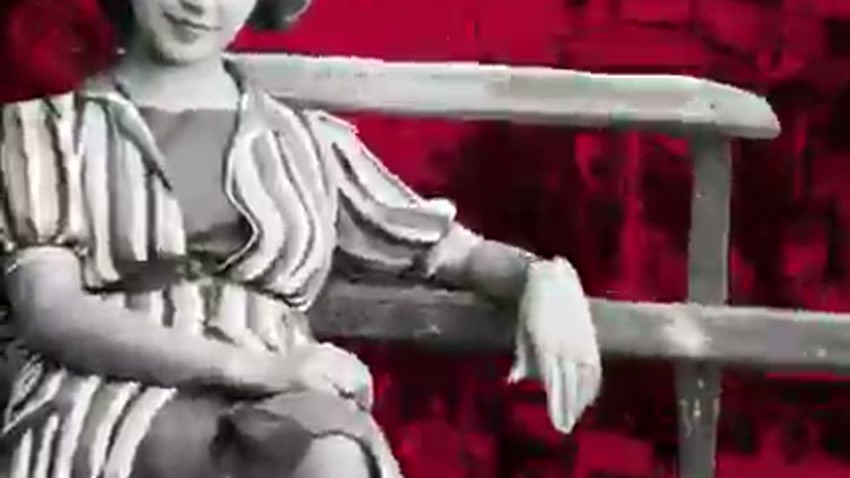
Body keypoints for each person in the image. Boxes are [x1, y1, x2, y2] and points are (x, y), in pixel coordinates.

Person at [0, 0, 602, 477]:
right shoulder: (45, 134)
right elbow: (52, 312)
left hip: (280, 407)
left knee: (335, 452)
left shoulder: (308, 143)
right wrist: (263, 369)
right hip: (103, 404)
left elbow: (452, 251)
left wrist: (541, 278)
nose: (199, 3)